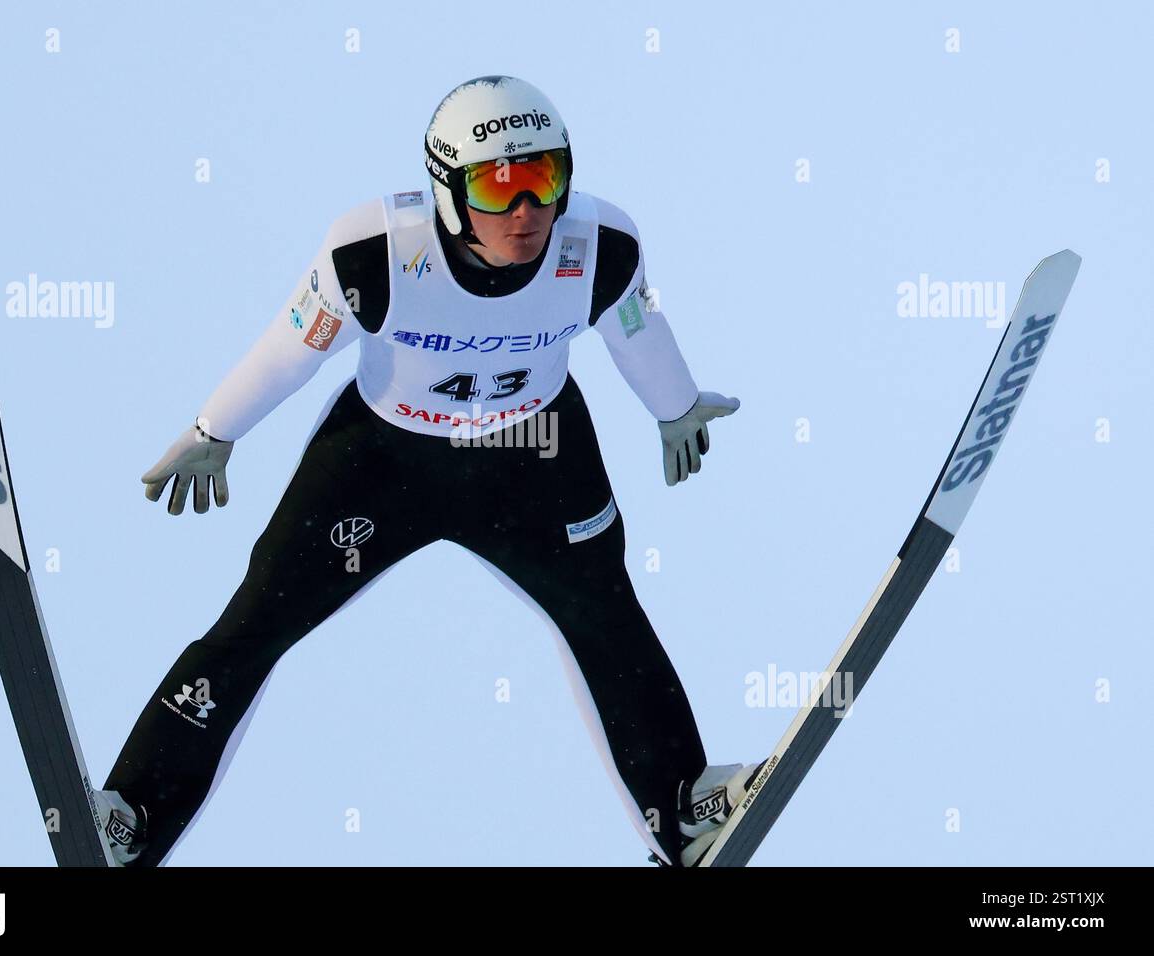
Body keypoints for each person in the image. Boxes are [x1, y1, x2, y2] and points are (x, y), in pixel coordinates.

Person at [94, 75, 763, 868]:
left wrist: (676, 407)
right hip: (381, 462)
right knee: (255, 622)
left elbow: (637, 333)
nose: (527, 211)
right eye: (498, 185)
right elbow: (288, 350)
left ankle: (682, 810)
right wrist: (216, 429)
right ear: (447, 190)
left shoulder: (600, 246)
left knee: (607, 616)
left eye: (545, 177)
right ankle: (132, 814)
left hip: (536, 457)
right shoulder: (375, 252)